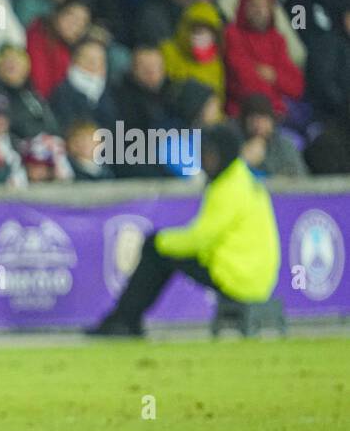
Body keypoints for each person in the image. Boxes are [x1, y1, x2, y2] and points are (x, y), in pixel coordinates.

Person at [87, 124, 280, 337]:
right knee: (163, 251)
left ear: (225, 153)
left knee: (156, 250)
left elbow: (200, 238)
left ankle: (125, 320)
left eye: (211, 154)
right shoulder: (244, 179)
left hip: (235, 275)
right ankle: (126, 318)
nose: (205, 160)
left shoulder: (228, 187)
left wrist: (159, 241)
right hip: (257, 277)